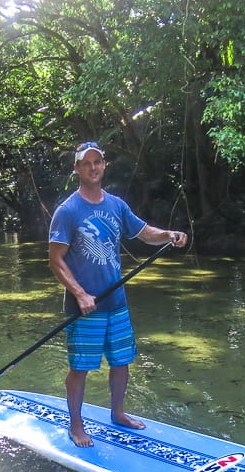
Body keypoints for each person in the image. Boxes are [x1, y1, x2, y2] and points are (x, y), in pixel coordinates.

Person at [48, 142, 188, 447]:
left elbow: (143, 232)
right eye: (87, 164)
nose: (93, 167)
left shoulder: (115, 205)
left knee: (121, 361)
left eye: (98, 162)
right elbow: (55, 260)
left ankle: (118, 413)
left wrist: (167, 235)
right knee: (80, 368)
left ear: (104, 165)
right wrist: (80, 294)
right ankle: (75, 425)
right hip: (84, 307)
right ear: (77, 169)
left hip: (116, 303)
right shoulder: (68, 211)